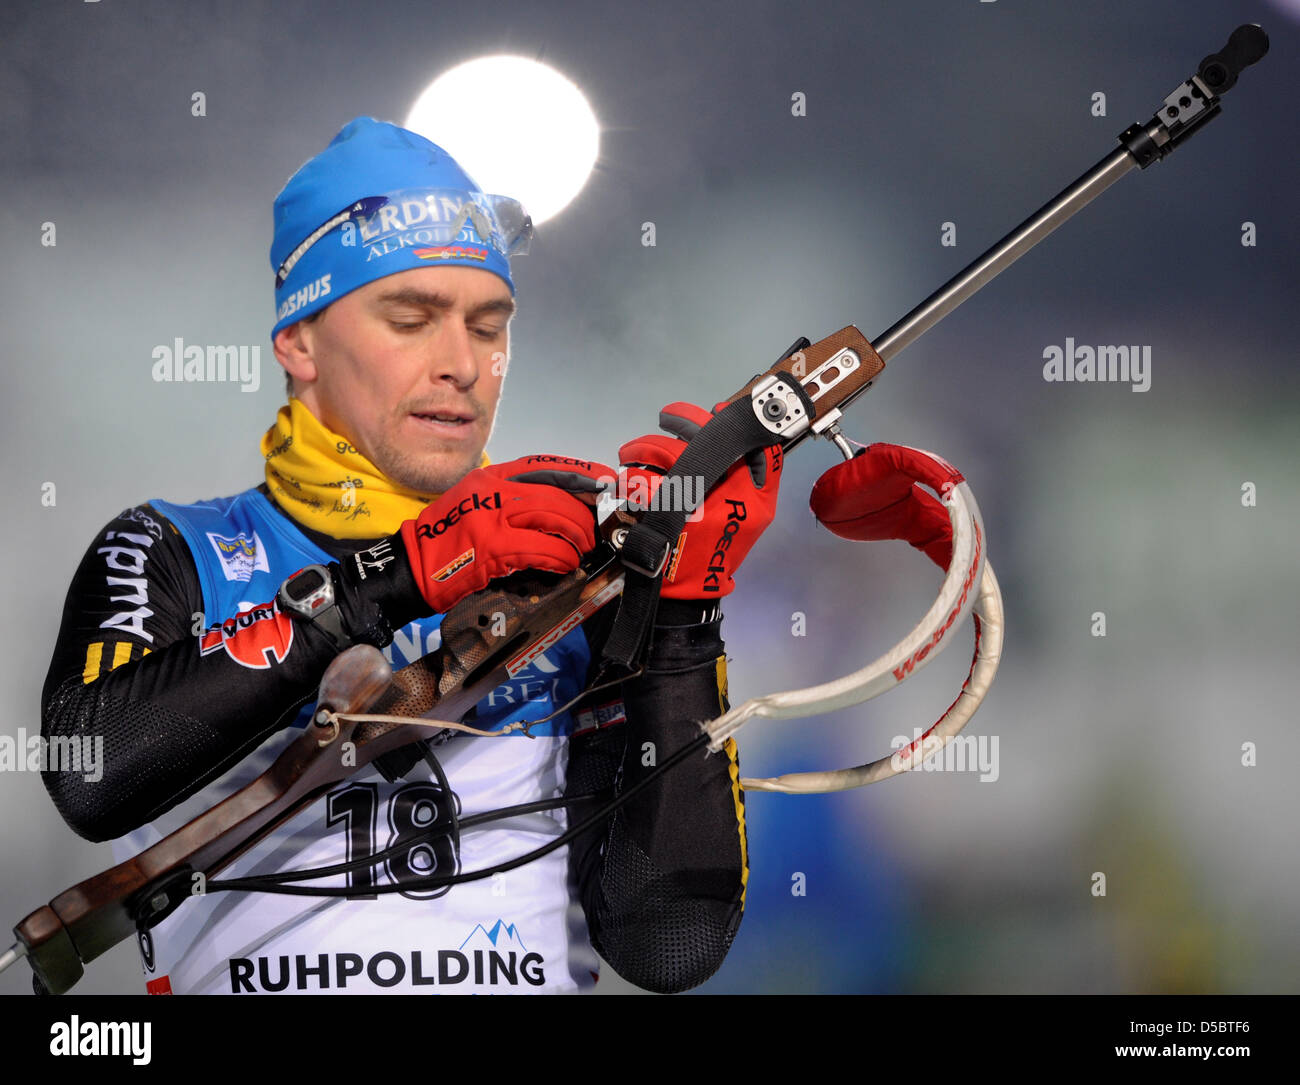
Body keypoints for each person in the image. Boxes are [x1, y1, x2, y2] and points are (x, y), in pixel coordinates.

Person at [38, 117, 783, 994]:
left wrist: (683, 615)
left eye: (488, 325)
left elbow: (669, 943)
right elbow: (89, 777)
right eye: (411, 319)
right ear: (299, 340)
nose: (463, 364)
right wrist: (397, 579)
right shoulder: (172, 546)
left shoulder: (571, 570)